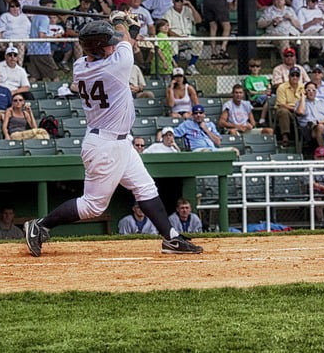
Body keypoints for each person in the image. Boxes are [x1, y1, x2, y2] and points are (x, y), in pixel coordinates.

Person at [25, 19, 203, 256]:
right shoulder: (114, 66)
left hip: (116, 142)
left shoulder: (80, 65)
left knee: (145, 188)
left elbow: (124, 40)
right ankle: (39, 226)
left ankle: (170, 238)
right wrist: (122, 21)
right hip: (106, 145)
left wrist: (123, 25)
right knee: (93, 206)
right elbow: (127, 41)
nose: (112, 46)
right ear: (98, 48)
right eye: (107, 44)